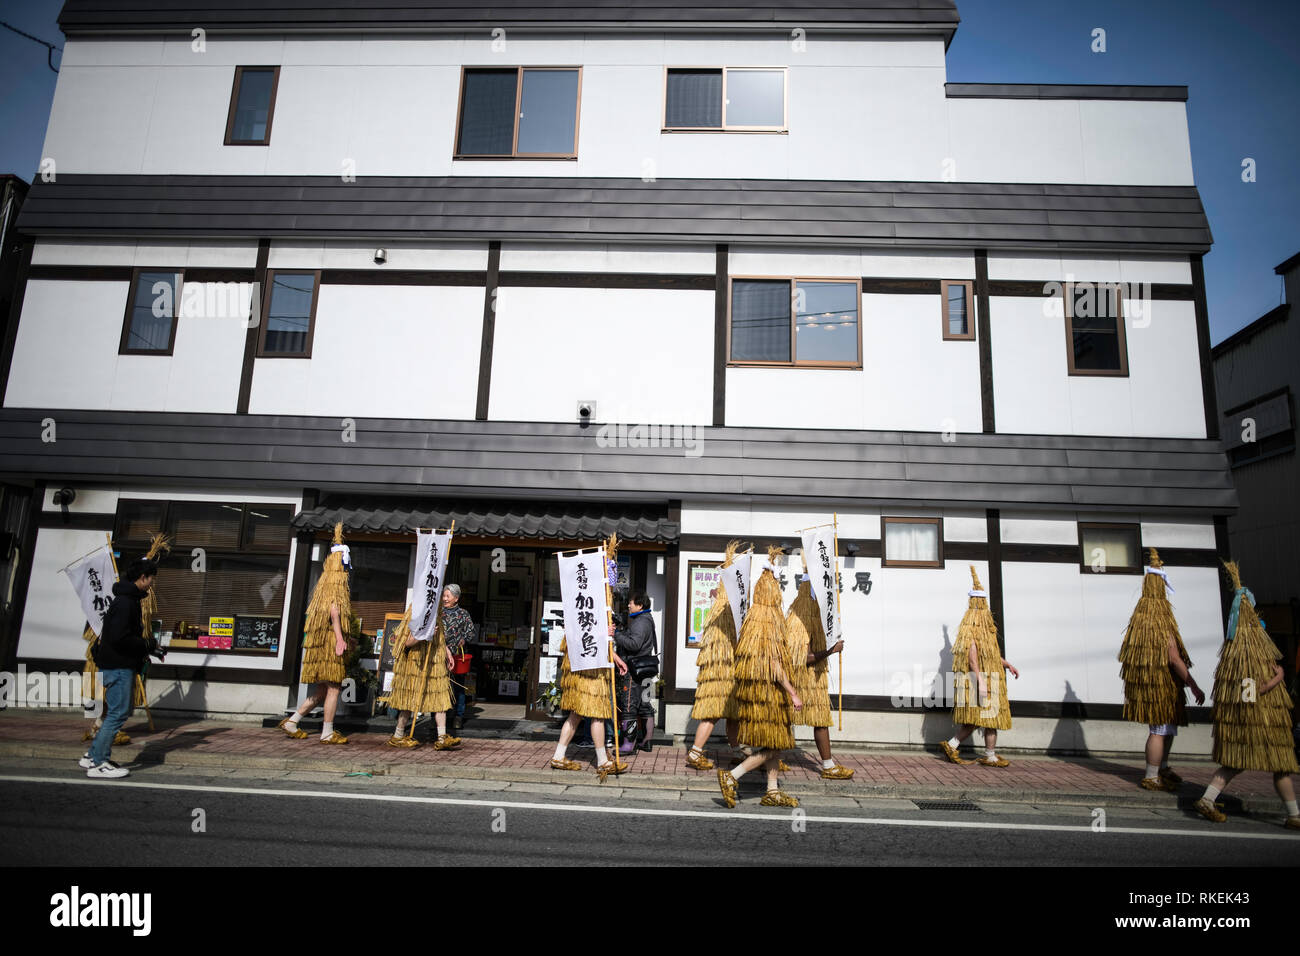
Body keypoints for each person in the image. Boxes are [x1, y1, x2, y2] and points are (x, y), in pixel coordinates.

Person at [1195, 562, 1300, 829]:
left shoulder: (1235, 649)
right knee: (1273, 767)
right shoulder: (1247, 653)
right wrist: (1277, 678)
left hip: (1257, 722)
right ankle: (1294, 814)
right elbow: (1250, 692)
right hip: (1258, 722)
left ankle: (1293, 814)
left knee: (1249, 764)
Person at [717, 551, 803, 808]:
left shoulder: (753, 621)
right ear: (774, 593)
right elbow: (773, 664)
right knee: (772, 746)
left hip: (757, 695)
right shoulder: (770, 624)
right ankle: (733, 776)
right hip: (770, 697)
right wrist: (792, 691)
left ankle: (773, 790)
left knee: (774, 743)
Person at [1117, 549, 1205, 791]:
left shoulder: (1141, 621)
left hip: (1155, 685)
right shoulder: (1161, 623)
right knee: (1159, 730)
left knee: (1167, 729)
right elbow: (1174, 659)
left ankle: (1162, 768)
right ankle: (1152, 774)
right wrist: (1193, 684)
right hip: (1161, 686)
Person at [80, 558, 161, 779]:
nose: (152, 583)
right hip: (118, 666)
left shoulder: (125, 600)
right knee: (118, 713)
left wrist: (147, 648)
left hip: (115, 664)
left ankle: (92, 756)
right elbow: (120, 638)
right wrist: (146, 644)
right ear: (142, 578)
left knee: (116, 712)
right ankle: (98, 763)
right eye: (151, 578)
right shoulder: (126, 603)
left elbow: (118, 636)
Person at [278, 523, 355, 744]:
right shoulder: (335, 588)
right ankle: (327, 731)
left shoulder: (321, 589)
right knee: (334, 688)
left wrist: (345, 637)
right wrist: (340, 639)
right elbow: (334, 612)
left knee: (322, 689)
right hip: (330, 644)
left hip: (321, 644)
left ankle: (293, 720)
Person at [940, 567, 1020, 767]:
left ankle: (988, 754)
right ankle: (955, 745)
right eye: (982, 601)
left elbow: (990, 654)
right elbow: (972, 656)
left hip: (991, 678)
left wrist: (1006, 664)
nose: (984, 605)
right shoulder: (971, 626)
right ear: (977, 602)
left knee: (990, 718)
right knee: (976, 717)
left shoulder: (986, 627)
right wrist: (981, 681)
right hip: (978, 680)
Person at [786, 576, 854, 779]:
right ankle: (770, 759)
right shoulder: (799, 621)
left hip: (812, 681)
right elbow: (803, 658)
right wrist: (831, 650)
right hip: (802, 679)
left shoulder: (812, 617)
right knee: (786, 719)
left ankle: (827, 765)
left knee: (819, 719)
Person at [685, 543, 741, 771]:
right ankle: (695, 752)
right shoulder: (725, 614)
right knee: (714, 714)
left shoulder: (717, 615)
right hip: (721, 675)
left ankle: (736, 750)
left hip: (725, 673)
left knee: (733, 714)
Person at [550, 637, 630, 781]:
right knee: (597, 713)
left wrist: (615, 656)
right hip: (591, 668)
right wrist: (607, 634)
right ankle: (602, 761)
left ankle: (558, 756)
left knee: (576, 714)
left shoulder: (576, 616)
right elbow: (595, 635)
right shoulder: (592, 614)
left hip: (580, 663)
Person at [385, 605, 461, 750]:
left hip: (434, 664)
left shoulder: (436, 613)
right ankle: (398, 735)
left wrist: (447, 653)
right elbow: (407, 642)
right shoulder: (417, 612)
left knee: (440, 699)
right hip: (416, 664)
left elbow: (440, 639)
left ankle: (442, 737)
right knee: (409, 701)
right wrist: (426, 633)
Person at [612, 590, 658, 755]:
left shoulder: (640, 622)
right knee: (645, 705)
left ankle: (628, 745)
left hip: (634, 670)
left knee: (629, 705)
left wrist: (616, 634)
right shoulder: (647, 619)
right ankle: (646, 742)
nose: (629, 605)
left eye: (631, 603)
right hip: (646, 669)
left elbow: (634, 644)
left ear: (640, 605)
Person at [439, 584, 476, 731]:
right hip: (440, 655)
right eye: (444, 596)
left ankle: (458, 716)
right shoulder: (439, 613)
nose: (445, 599)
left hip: (457, 657)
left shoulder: (463, 614)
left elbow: (471, 632)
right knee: (440, 686)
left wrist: (464, 639)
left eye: (448, 596)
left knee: (458, 687)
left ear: (456, 598)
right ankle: (439, 716)